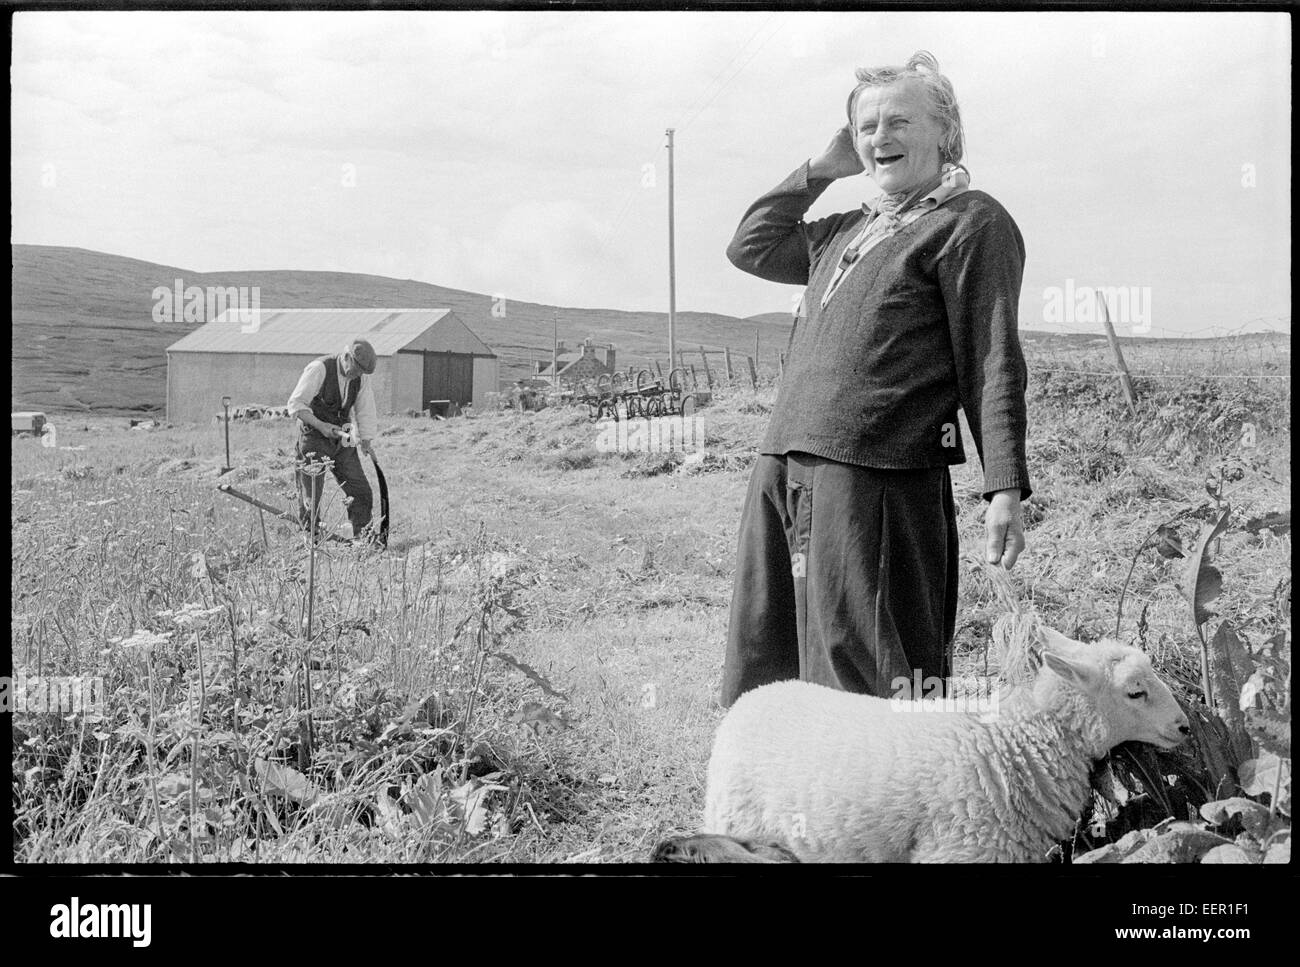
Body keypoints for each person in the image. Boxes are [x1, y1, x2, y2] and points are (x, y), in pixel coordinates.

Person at [721, 51, 1031, 707]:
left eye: (898, 121)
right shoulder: (846, 230)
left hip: (876, 473)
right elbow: (750, 244)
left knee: (866, 670)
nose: (878, 138)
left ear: (946, 133)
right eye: (866, 127)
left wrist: (1002, 484)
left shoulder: (970, 222)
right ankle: (777, 802)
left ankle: (882, 809)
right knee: (769, 654)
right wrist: (820, 169)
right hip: (783, 463)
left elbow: (992, 355)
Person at [287, 337, 380, 543]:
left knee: (360, 490)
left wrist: (366, 440)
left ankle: (363, 539)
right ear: (346, 357)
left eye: (360, 373)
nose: (356, 375)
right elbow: (295, 405)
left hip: (343, 437)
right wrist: (321, 425)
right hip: (314, 436)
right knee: (311, 495)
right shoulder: (319, 369)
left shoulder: (361, 378)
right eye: (355, 369)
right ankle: (310, 541)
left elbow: (365, 409)